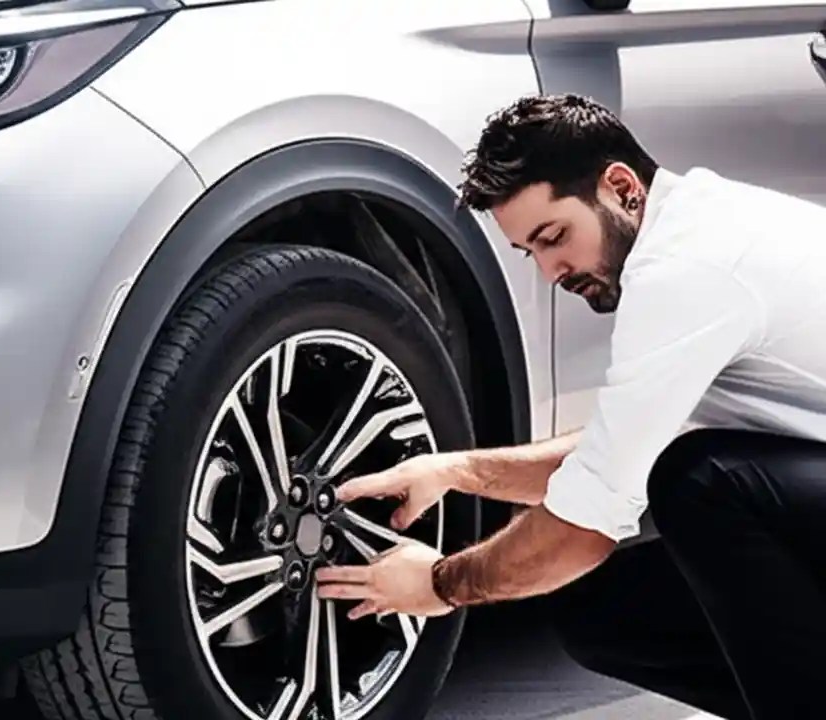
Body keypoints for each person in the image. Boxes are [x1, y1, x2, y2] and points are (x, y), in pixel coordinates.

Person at [314, 92, 826, 720]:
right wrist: (456, 472)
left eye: (554, 236)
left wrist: (440, 584)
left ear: (621, 188)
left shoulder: (683, 273)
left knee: (700, 483)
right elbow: (616, 454)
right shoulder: (700, 224)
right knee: (603, 611)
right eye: (531, 252)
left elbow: (585, 525)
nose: (552, 270)